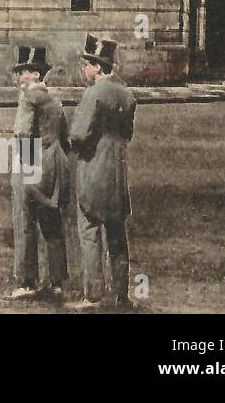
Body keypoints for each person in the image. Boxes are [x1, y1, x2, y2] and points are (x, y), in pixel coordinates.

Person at [69, 34, 137, 310]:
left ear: (98, 67)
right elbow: (127, 134)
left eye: (87, 63)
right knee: (118, 236)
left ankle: (93, 295)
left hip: (93, 172)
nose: (84, 68)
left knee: (89, 233)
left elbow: (78, 136)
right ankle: (122, 295)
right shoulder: (127, 95)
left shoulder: (92, 94)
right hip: (118, 175)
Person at [9, 46, 71, 302]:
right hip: (54, 167)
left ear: (35, 74)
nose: (19, 78)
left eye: (23, 72)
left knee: (25, 223)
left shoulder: (28, 99)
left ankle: (26, 282)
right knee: (52, 223)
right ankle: (57, 281)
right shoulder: (55, 102)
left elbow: (23, 135)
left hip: (32, 166)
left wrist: (24, 171)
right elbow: (64, 139)